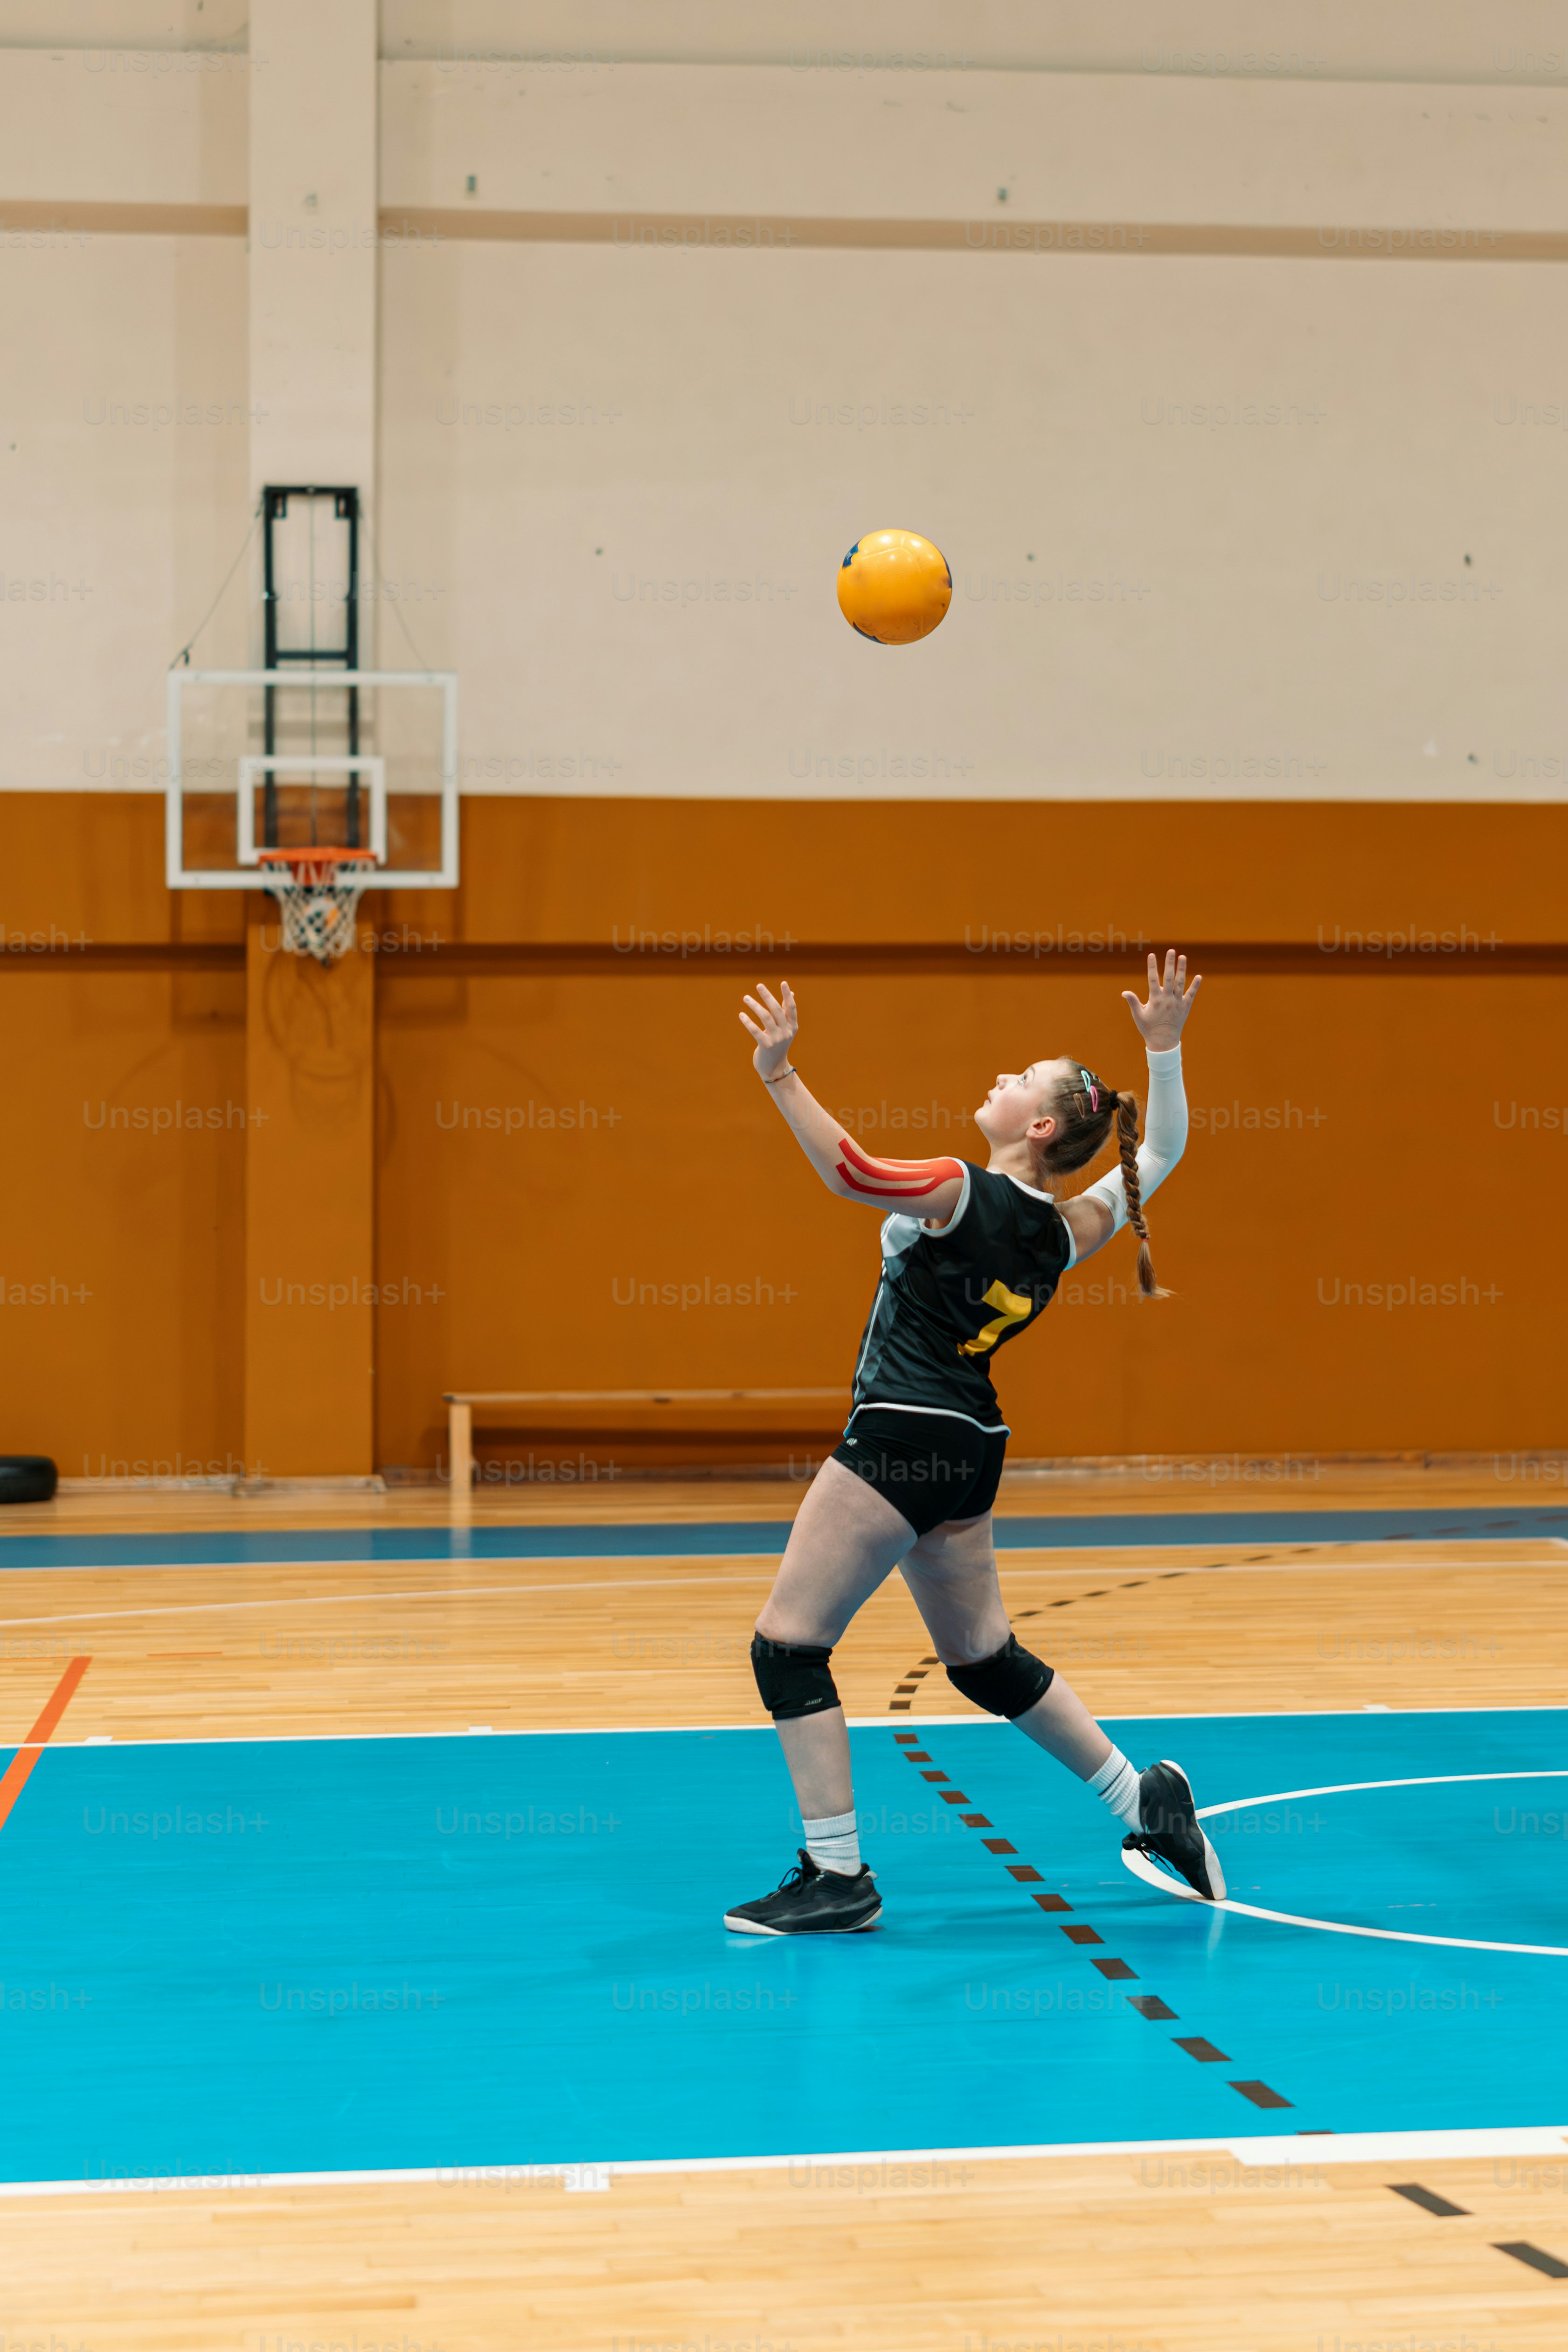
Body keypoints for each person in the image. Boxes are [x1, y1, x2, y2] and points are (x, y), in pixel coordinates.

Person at [723, 951, 1222, 1936]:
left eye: (1016, 1079)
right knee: (982, 1658)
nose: (997, 1077)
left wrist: (779, 1071)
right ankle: (1142, 1801)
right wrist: (1163, 1052)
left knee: (787, 1647)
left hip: (901, 1431)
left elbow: (853, 1171)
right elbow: (1158, 1153)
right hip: (970, 1443)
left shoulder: (959, 1189)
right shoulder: (1067, 1227)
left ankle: (837, 1875)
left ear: (1038, 1125)